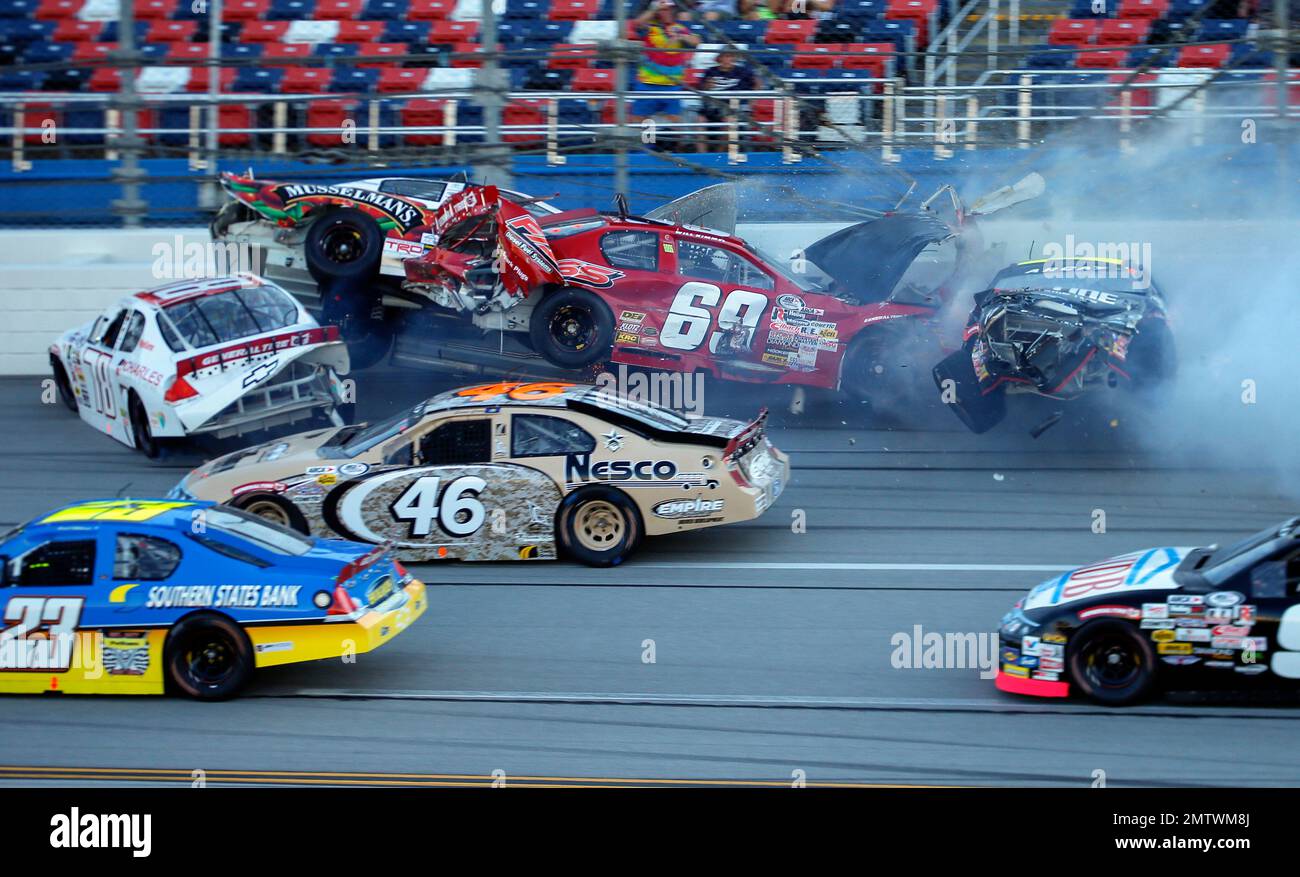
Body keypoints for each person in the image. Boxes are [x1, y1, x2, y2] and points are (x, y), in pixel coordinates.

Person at [630, 0, 702, 142]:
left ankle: (674, 151)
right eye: (664, 10)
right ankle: (646, 150)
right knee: (643, 121)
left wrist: (681, 36)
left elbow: (696, 41)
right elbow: (636, 24)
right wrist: (654, 8)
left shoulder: (679, 28)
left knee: (675, 122)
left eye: (670, 9)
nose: (668, 12)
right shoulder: (650, 28)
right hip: (648, 84)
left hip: (672, 86)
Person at [696, 49, 759, 151]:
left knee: (729, 121)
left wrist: (752, 101)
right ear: (719, 58)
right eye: (724, 56)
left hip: (734, 106)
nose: (727, 59)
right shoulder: (710, 71)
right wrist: (707, 85)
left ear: (734, 58)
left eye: (730, 56)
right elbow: (702, 89)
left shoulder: (743, 71)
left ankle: (718, 153)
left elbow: (756, 84)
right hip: (714, 106)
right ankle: (702, 153)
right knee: (700, 120)